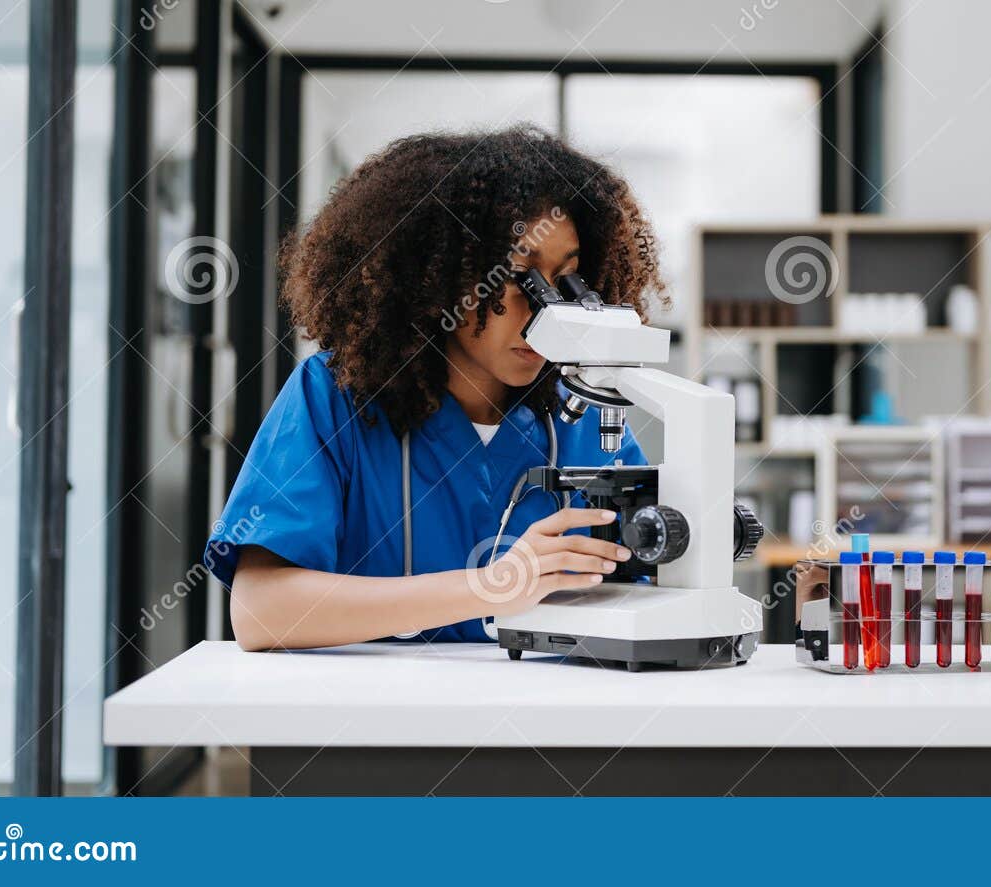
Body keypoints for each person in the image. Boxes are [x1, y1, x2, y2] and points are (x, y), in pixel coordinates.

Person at [204, 126, 665, 652]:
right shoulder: (334, 397)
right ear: (433, 277)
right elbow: (260, 611)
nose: (546, 309)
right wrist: (490, 587)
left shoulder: (582, 409)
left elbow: (643, 589)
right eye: (520, 277)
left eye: (565, 281)